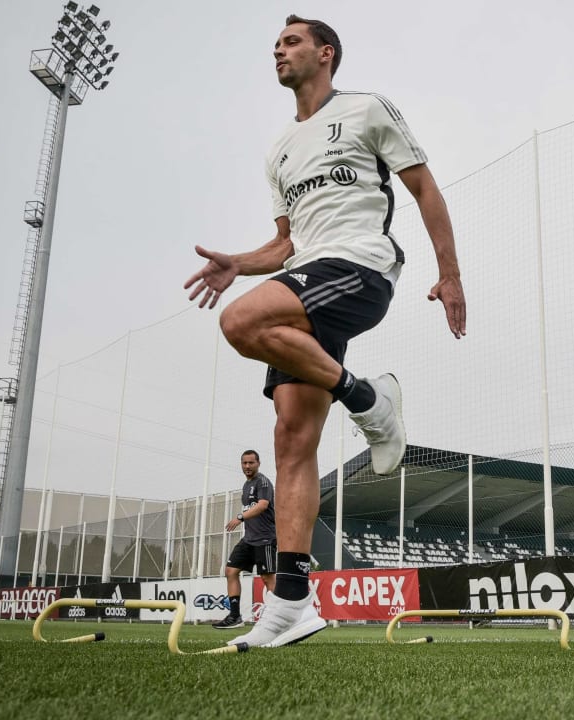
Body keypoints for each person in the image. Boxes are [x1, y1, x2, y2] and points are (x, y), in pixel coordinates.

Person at [184, 15, 466, 649]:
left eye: (291, 42)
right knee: (290, 438)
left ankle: (369, 400)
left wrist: (450, 276)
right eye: (276, 45)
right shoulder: (279, 151)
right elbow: (286, 245)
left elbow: (424, 189)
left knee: (240, 320)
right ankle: (290, 602)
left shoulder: (367, 109)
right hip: (305, 276)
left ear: (325, 53)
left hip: (360, 266)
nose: (278, 52)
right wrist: (238, 262)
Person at [212, 450, 277, 630]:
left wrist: (240, 517)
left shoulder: (263, 482)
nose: (247, 466)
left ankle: (280, 618)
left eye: (251, 463)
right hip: (248, 539)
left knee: (267, 578)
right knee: (231, 571)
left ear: (258, 463)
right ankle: (235, 616)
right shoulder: (246, 485)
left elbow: (263, 505)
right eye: (244, 463)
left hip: (265, 538)